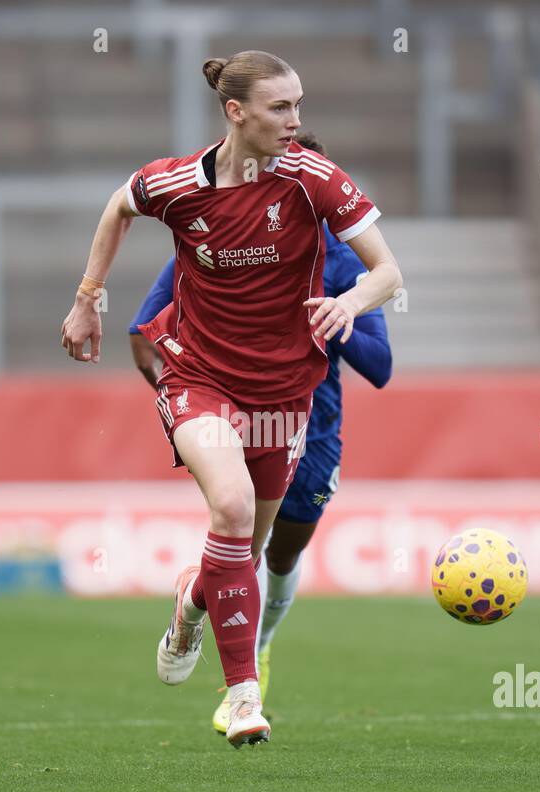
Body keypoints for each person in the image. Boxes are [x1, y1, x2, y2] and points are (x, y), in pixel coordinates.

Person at [61, 51, 402, 747]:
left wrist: (351, 302)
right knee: (234, 508)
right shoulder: (180, 184)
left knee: (244, 548)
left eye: (299, 104)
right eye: (280, 108)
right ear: (236, 113)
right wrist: (87, 299)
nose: (295, 119)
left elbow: (388, 270)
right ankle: (244, 698)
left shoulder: (313, 181)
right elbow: (119, 205)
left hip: (283, 393)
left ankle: (192, 602)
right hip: (199, 378)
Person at [129, 131, 392, 735]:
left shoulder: (344, 259)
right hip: (221, 407)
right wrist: (189, 409)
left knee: (264, 556)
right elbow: (141, 334)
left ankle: (213, 613)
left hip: (306, 423)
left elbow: (381, 367)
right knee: (234, 522)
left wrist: (339, 314)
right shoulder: (220, 231)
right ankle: (246, 685)